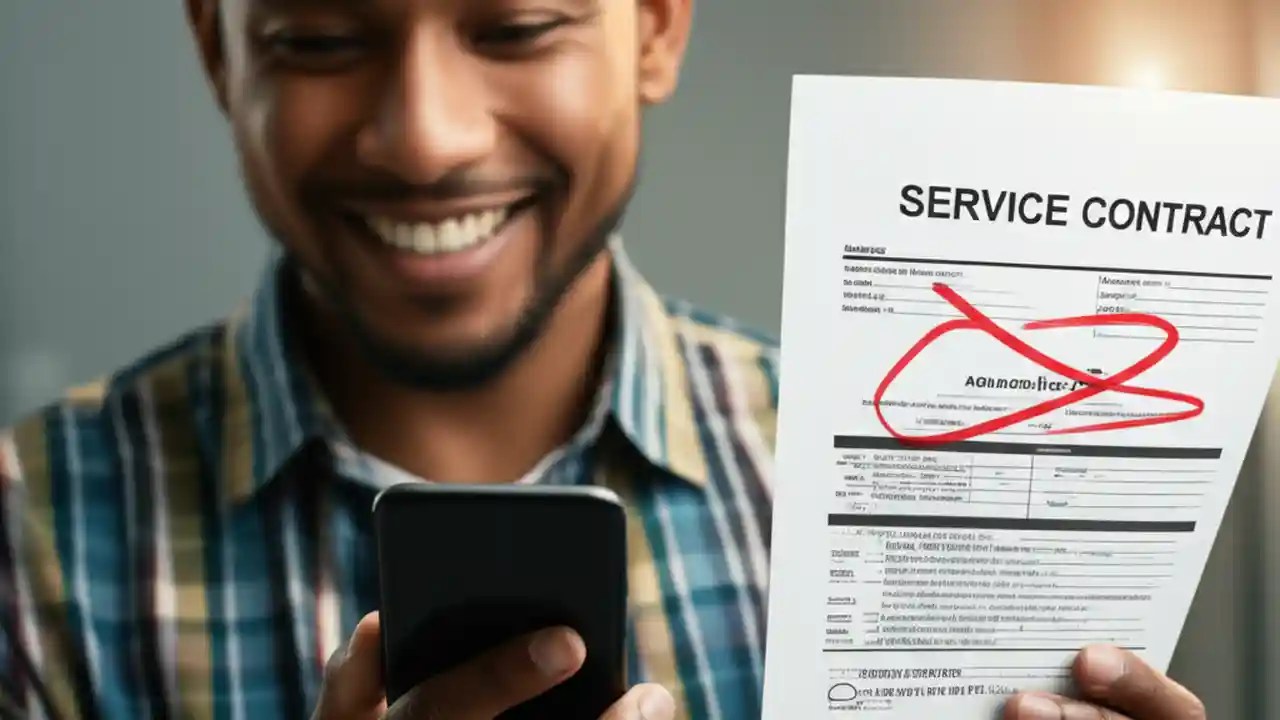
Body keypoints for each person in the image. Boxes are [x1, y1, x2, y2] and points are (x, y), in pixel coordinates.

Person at [0, 0, 1210, 719]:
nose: (426, 139)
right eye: (320, 37)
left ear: (657, 25)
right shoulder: (29, 539)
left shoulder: (890, 491)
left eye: (518, 26)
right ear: (218, 46)